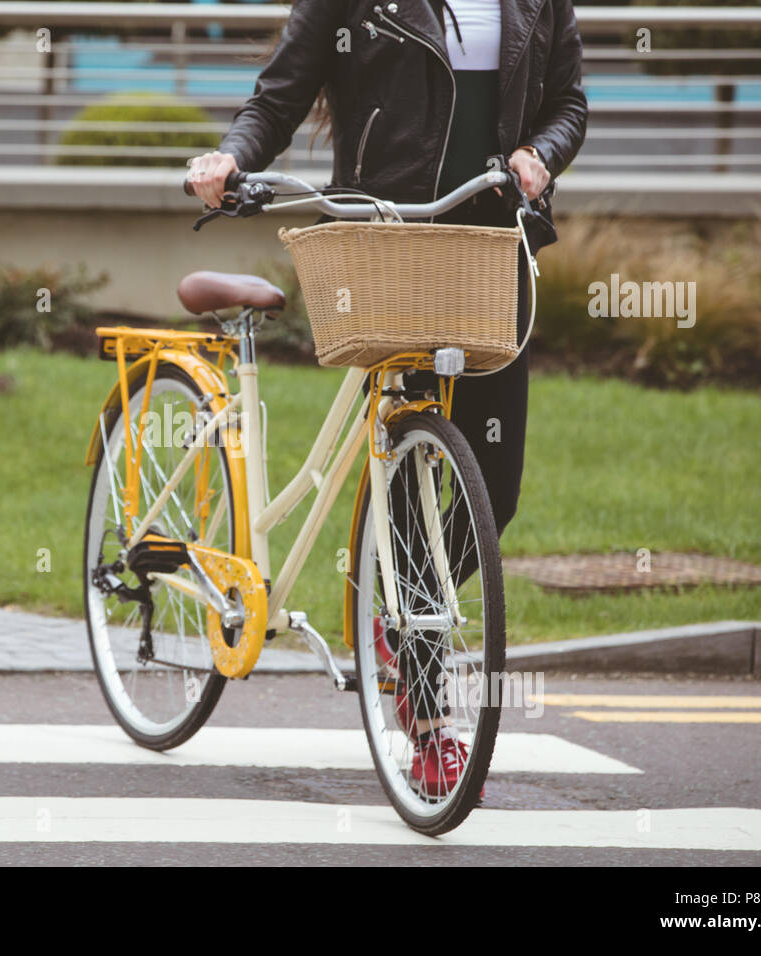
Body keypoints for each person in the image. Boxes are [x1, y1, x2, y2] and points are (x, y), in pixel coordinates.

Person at [187, 0, 588, 796]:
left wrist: (541, 154)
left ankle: (399, 612)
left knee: (493, 493)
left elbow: (568, 101)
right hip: (386, 236)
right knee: (406, 468)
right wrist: (231, 157)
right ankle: (429, 716)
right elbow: (282, 91)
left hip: (489, 248)